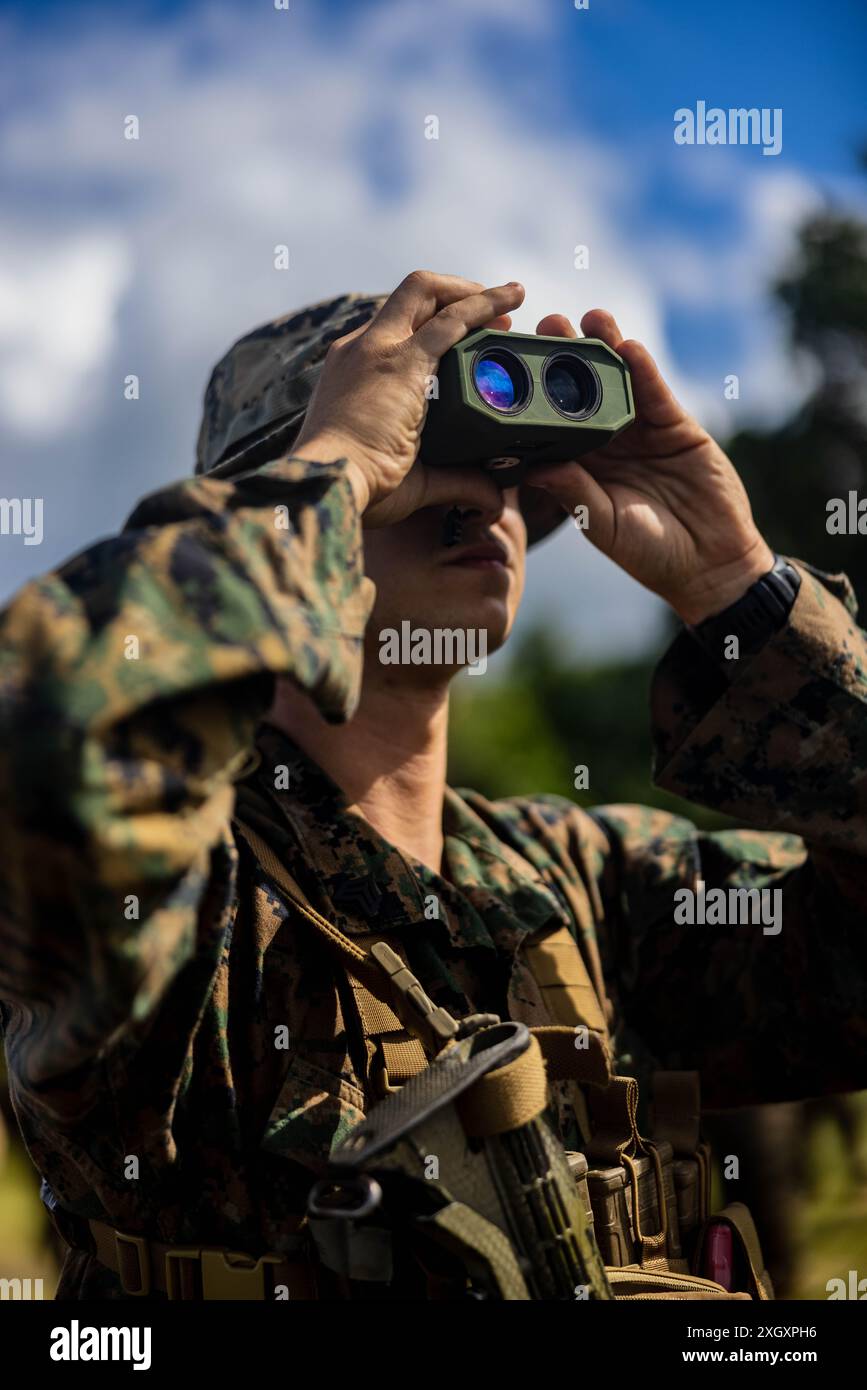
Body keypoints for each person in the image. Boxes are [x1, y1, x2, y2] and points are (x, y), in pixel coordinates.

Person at [1, 271, 865, 1301]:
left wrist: (746, 599)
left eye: (513, 473)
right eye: (421, 454)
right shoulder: (197, 895)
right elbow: (47, 746)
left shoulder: (576, 881)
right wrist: (340, 466)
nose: (484, 499)